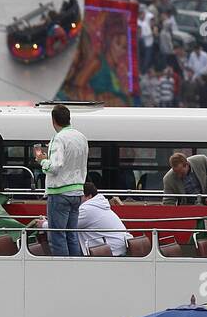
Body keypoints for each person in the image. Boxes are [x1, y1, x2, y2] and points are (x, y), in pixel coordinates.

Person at [35, 104, 88, 256]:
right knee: (71, 235)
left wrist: (42, 161)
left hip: (60, 192)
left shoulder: (58, 139)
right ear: (68, 118)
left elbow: (55, 167)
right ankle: (74, 268)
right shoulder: (81, 137)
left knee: (57, 236)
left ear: (53, 120)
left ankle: (62, 270)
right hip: (77, 191)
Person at [77, 182, 133, 255]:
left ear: (89, 196)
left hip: (112, 252)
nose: (76, 200)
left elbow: (67, 225)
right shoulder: (100, 205)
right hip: (121, 247)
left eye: (79, 197)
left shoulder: (87, 209)